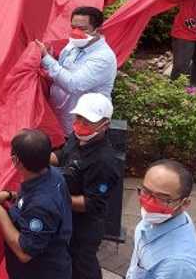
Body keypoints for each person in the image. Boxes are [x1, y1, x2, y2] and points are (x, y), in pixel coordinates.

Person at [0, 129, 72, 279]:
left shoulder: (41, 207)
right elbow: (30, 199)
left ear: (16, 161)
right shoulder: (52, 174)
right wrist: (9, 195)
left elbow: (25, 253)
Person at [51, 93, 121, 279]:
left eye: (88, 121)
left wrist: (58, 198)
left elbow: (92, 203)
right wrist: (40, 156)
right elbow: (63, 155)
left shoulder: (104, 162)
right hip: (67, 217)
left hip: (84, 226)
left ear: (104, 125)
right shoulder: (78, 137)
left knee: (82, 265)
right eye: (79, 118)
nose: (81, 124)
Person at [35, 6, 118, 135]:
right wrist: (51, 56)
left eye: (82, 29)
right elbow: (62, 68)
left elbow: (74, 85)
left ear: (97, 29)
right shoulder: (74, 44)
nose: (76, 32)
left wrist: (46, 59)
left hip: (84, 125)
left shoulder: (103, 57)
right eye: (73, 27)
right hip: (60, 116)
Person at [125, 160, 196, 279]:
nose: (149, 203)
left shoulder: (178, 267)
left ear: (184, 204)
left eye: (162, 199)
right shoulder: (159, 220)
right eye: (146, 192)